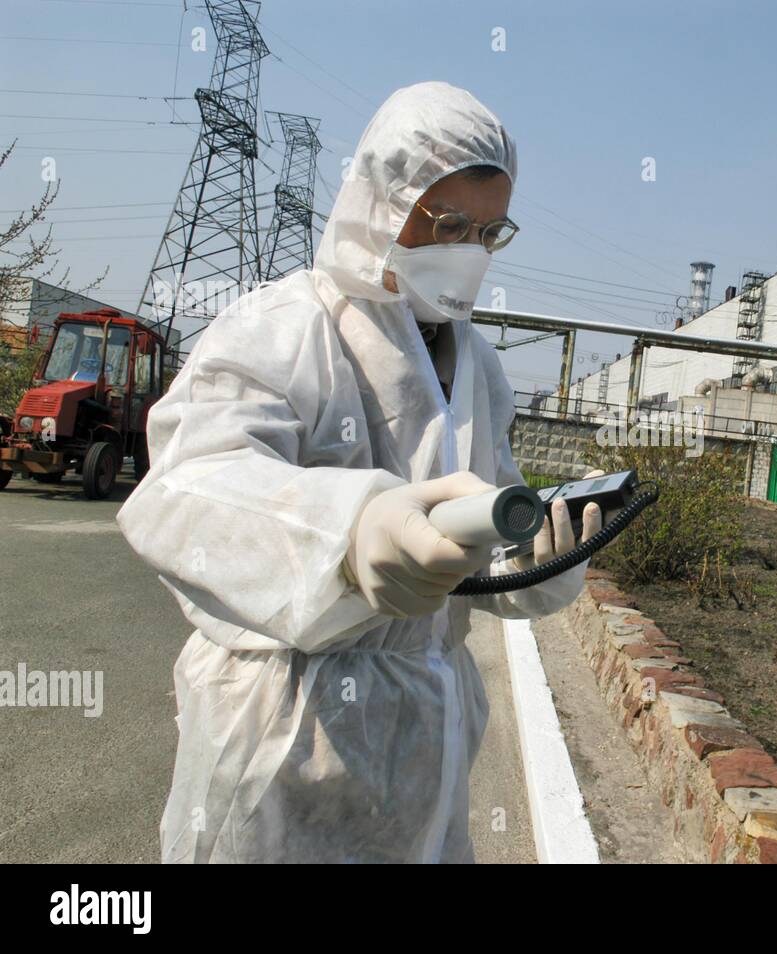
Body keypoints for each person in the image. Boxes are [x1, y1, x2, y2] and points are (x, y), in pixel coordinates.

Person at [117, 81, 600, 863]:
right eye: (448, 225)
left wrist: (536, 557)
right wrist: (346, 534)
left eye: (489, 232)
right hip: (284, 740)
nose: (469, 252)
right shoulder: (284, 328)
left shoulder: (478, 365)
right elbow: (185, 488)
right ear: (381, 204)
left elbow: (474, 537)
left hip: (425, 756)